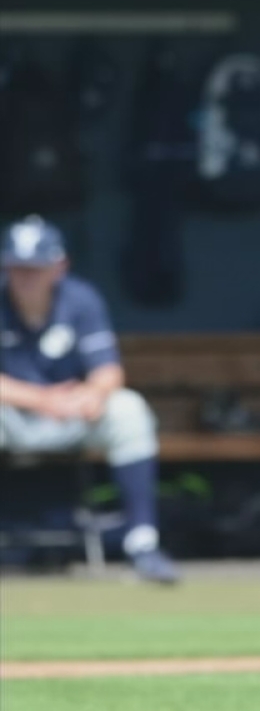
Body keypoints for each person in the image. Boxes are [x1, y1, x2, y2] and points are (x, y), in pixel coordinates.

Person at [0, 215, 179, 584]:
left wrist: (94, 394)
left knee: (127, 408)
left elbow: (108, 371)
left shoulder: (81, 299)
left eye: (36, 268)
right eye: (18, 267)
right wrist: (40, 399)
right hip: (12, 415)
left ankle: (142, 543)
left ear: (59, 266)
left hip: (70, 415)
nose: (26, 277)